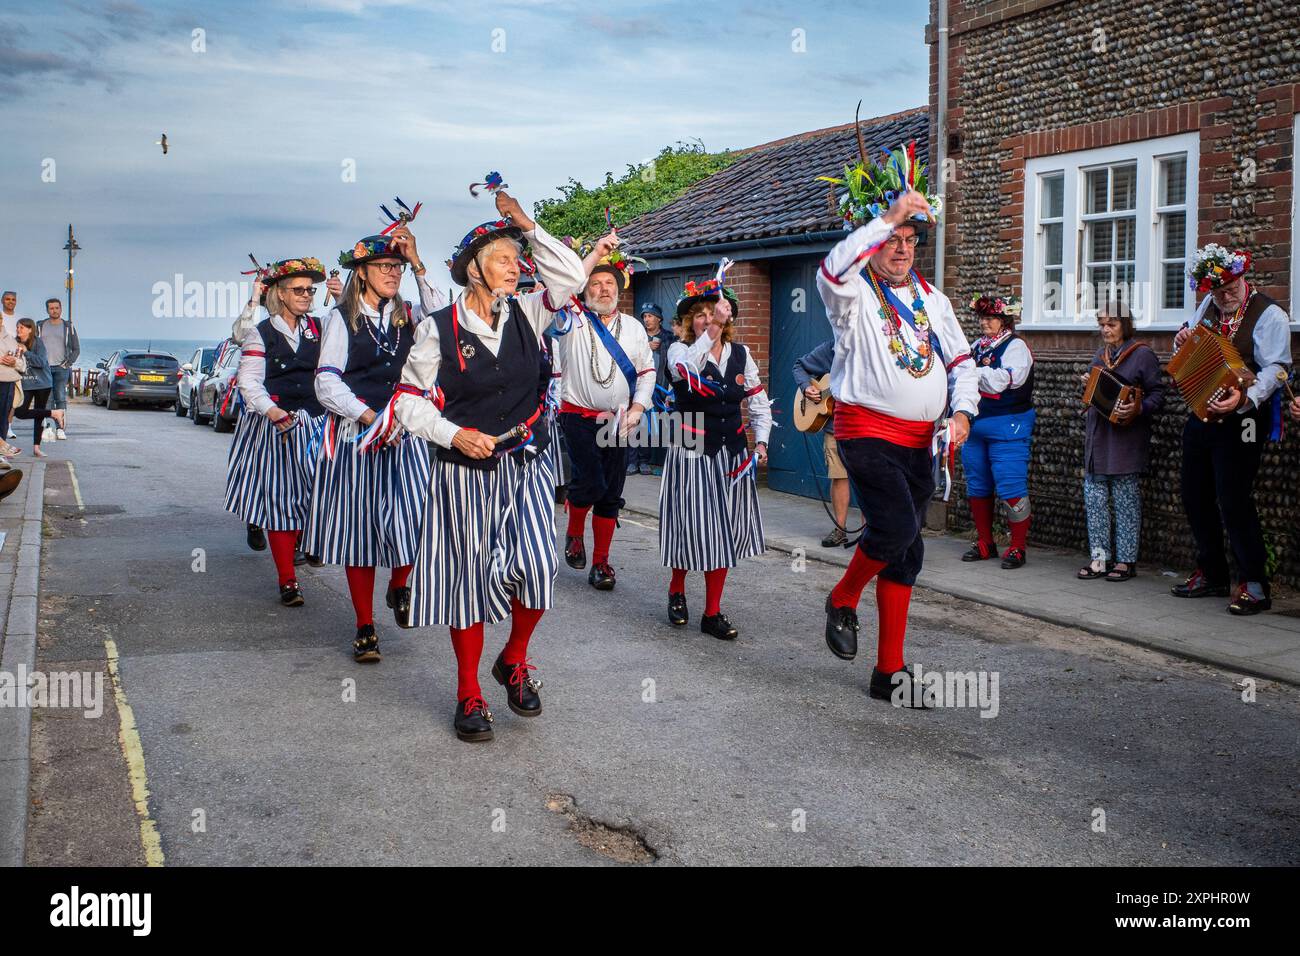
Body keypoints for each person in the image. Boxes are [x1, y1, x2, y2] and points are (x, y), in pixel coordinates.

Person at [393, 189, 587, 743]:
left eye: (515, 258)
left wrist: (525, 225)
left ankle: (514, 658)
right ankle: (468, 694)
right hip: (463, 474)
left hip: (527, 463)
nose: (515, 267)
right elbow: (406, 399)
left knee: (539, 571)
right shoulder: (436, 328)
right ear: (473, 271)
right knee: (467, 583)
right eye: (503, 258)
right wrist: (455, 433)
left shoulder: (528, 310)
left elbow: (570, 279)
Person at [815, 163, 978, 707]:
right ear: (876, 243)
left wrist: (962, 414)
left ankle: (889, 673)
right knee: (898, 526)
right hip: (865, 433)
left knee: (907, 553)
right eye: (892, 240)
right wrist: (887, 216)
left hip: (923, 441)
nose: (902, 248)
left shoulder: (935, 301)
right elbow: (830, 272)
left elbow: (961, 360)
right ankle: (843, 594)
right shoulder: (855, 296)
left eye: (910, 240)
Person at [301, 224, 443, 661]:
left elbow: (445, 321)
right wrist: (368, 417)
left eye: (397, 267)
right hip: (359, 433)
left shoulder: (410, 314)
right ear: (361, 272)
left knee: (418, 519)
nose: (393, 273)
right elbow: (326, 381)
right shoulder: (339, 319)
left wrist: (418, 262)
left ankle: (400, 584)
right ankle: (365, 625)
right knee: (359, 531)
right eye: (385, 266)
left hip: (407, 431)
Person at [1171, 245, 1293, 615]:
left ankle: (1254, 583)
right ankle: (1212, 573)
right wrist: (1182, 339)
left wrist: (1244, 399)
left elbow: (1276, 369)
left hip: (1245, 420)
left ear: (1243, 278)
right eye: (1217, 291)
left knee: (1234, 497)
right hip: (1203, 411)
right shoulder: (1208, 306)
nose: (1225, 297)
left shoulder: (1269, 313)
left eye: (1231, 289)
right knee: (1194, 493)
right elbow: (1192, 339)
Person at [659, 270, 771, 641]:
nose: (709, 319)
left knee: (722, 530)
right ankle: (677, 588)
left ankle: (712, 612)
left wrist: (762, 443)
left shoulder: (741, 354)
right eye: (700, 314)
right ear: (690, 322)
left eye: (715, 312)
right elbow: (685, 371)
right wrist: (711, 333)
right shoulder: (680, 351)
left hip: (731, 454)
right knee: (690, 525)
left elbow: (758, 403)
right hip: (691, 450)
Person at [224, 258, 330, 607]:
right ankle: (288, 580)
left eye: (310, 290)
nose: (306, 295)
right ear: (280, 294)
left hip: (314, 422)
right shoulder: (260, 333)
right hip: (276, 424)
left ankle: (307, 541)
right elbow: (249, 381)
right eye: (298, 290)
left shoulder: (320, 327)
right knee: (282, 501)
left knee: (319, 492)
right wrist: (271, 409)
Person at [556, 237, 655, 591]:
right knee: (592, 482)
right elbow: (563, 287)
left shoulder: (633, 328)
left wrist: (639, 407)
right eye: (595, 283)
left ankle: (601, 563)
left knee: (611, 493)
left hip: (620, 421)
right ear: (585, 289)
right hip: (578, 416)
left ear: (618, 288)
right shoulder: (570, 318)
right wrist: (596, 253)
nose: (602, 288)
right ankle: (573, 532)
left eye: (608, 282)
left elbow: (646, 372)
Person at [1077, 300, 1164, 582]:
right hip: (1097, 440)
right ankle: (1099, 558)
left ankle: (1126, 560)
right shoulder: (1100, 355)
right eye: (1101, 324)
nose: (1105, 329)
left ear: (1125, 325)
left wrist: (1139, 408)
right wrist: (1087, 385)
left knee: (1126, 502)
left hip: (1125, 440)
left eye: (1111, 324)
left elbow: (1158, 395)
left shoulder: (1143, 355)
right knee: (1095, 501)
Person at [960, 294, 1034, 569]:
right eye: (983, 317)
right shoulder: (978, 346)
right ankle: (984, 542)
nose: (985, 322)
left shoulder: (1016, 347)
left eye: (991, 318)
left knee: (1010, 483)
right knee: (977, 483)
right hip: (977, 424)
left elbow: (1003, 381)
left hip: (1008, 424)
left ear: (1004, 320)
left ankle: (1018, 547)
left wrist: (973, 372)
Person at [792, 339, 863, 548]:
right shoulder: (832, 348)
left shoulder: (873, 350)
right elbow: (800, 366)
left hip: (865, 427)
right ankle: (840, 529)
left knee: (868, 479)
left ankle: (869, 533)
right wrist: (806, 387)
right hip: (835, 425)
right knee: (838, 476)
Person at [629, 302, 674, 475]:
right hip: (638, 387)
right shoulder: (638, 338)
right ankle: (632, 461)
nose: (647, 320)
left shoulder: (669, 338)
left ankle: (645, 461)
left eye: (650, 316)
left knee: (650, 427)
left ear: (659, 319)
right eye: (645, 317)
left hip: (660, 389)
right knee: (634, 423)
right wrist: (645, 348)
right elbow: (628, 356)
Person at [12, 319, 55, 458]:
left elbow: (41, 363)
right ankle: (54, 413)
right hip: (26, 384)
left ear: (30, 329)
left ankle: (36, 448)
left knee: (39, 415)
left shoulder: (38, 342)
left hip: (43, 383)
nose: (19, 329)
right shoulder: (14, 342)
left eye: (22, 327)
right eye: (18, 327)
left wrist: (26, 352)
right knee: (20, 412)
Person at [38, 298, 79, 440]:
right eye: (51, 308)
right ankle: (48, 428)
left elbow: (76, 349)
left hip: (61, 368)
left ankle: (60, 428)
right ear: (47, 310)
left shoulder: (68, 327)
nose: (54, 310)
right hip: (45, 368)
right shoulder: (40, 326)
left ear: (61, 309)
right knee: (47, 398)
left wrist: (67, 364)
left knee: (60, 397)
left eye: (57, 308)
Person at [0, 314, 23, 463]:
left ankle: (0, 456)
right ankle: (1, 445)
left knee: (2, 420)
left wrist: (14, 361)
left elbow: (23, 365)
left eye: (0, 319)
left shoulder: (10, 339)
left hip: (8, 383)